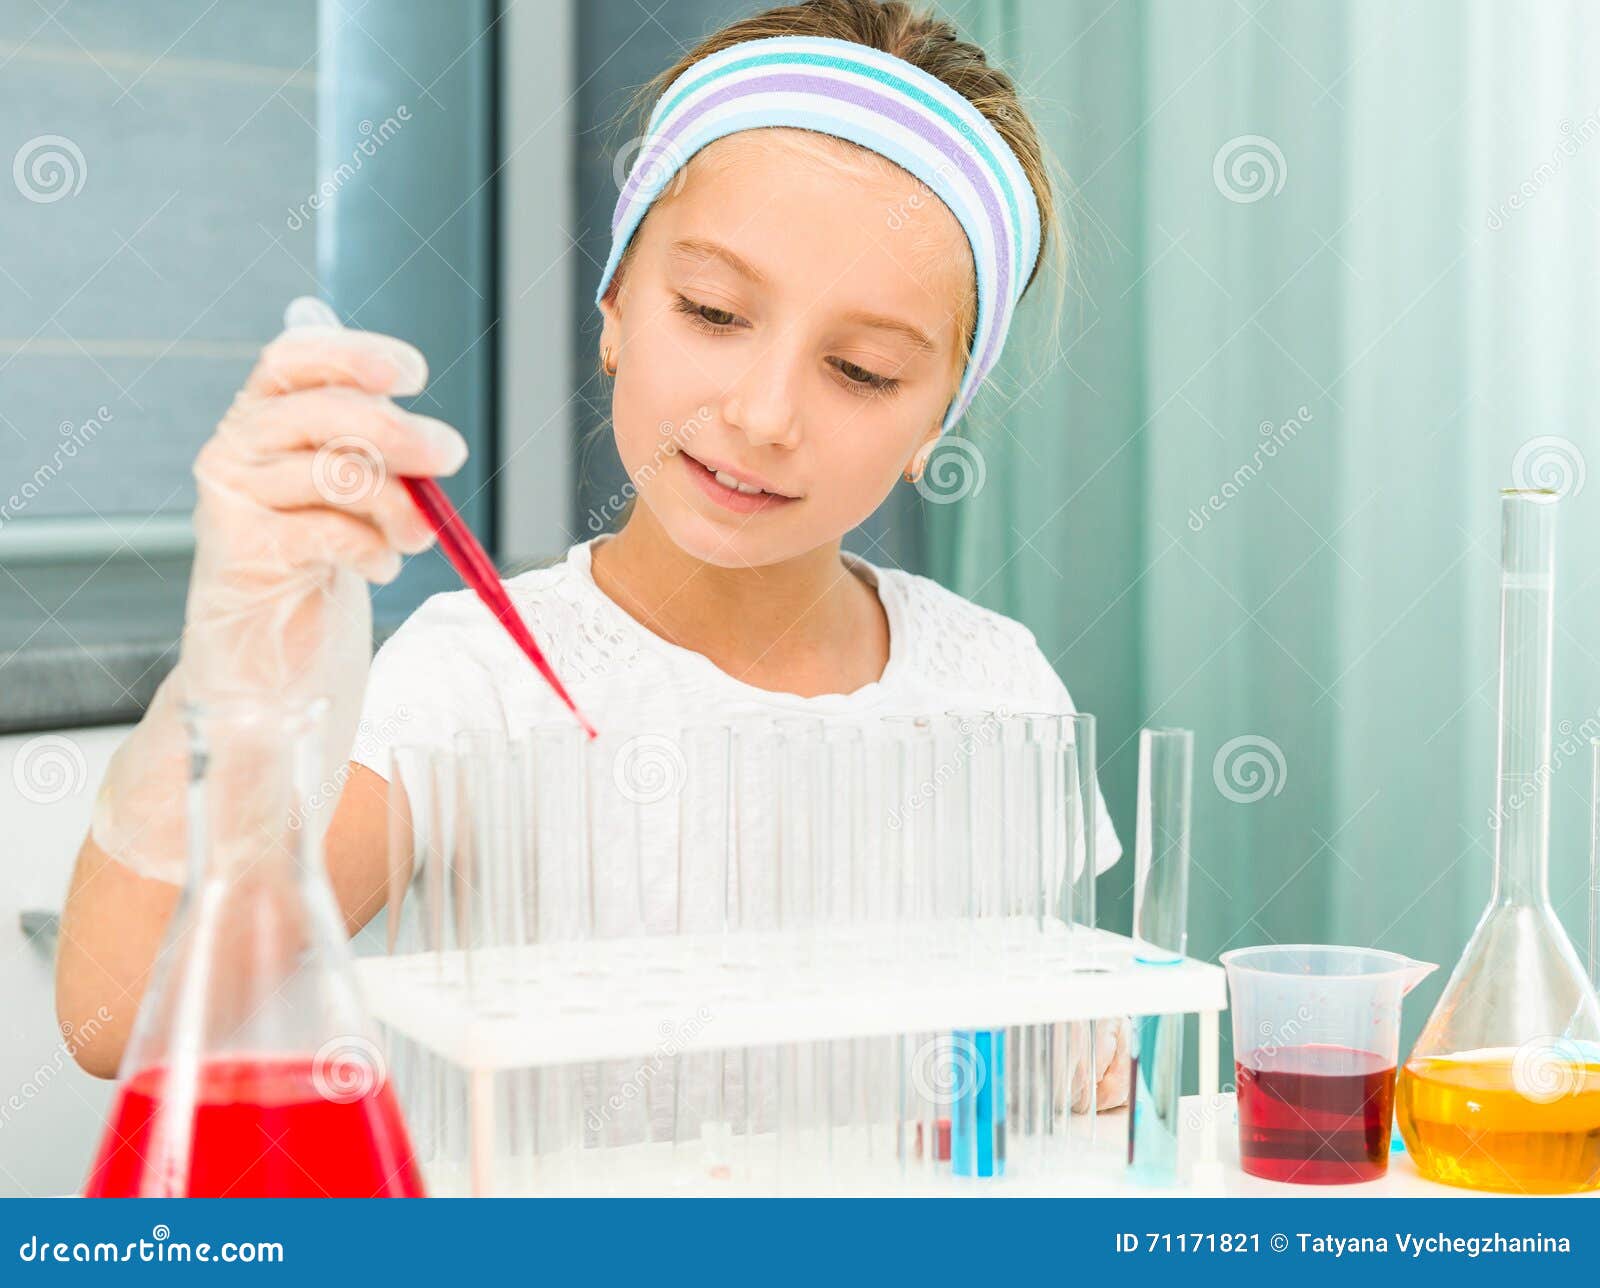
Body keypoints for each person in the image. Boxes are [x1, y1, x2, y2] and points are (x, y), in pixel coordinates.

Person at [58, 0, 1130, 1125]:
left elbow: (1058, 1080)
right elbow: (116, 1020)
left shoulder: (996, 689)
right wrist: (231, 671)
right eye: (712, 311)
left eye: (861, 370)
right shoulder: (477, 683)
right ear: (615, 303)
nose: (763, 414)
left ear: (937, 421)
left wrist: (1089, 1079)